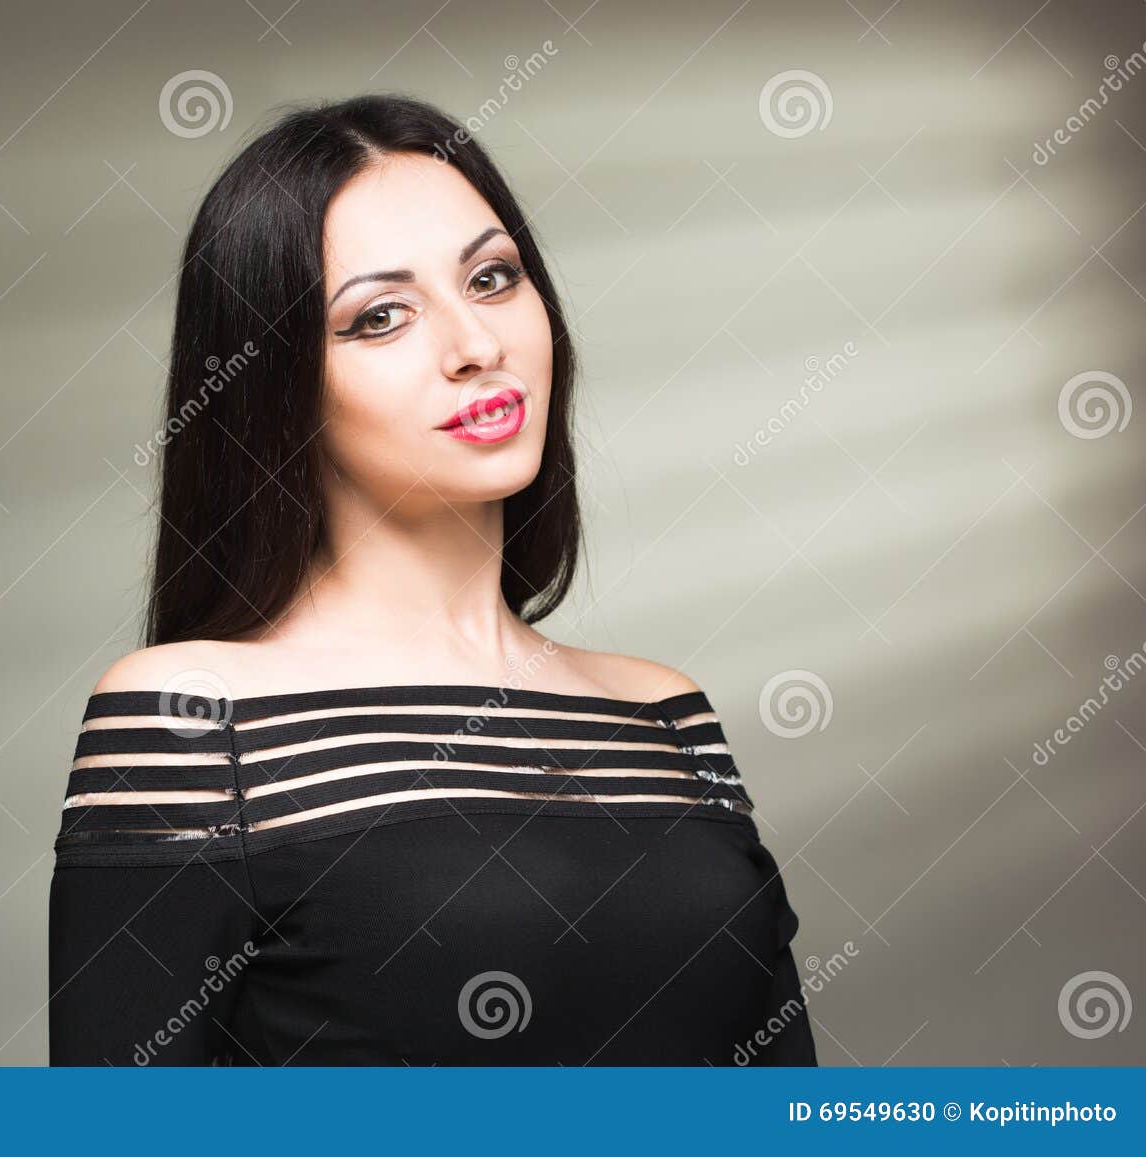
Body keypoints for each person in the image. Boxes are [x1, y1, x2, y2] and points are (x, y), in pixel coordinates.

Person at [47, 93, 817, 1066]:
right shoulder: (194, 720)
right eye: (379, 317)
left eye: (492, 278)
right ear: (274, 383)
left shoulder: (664, 714)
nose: (475, 346)